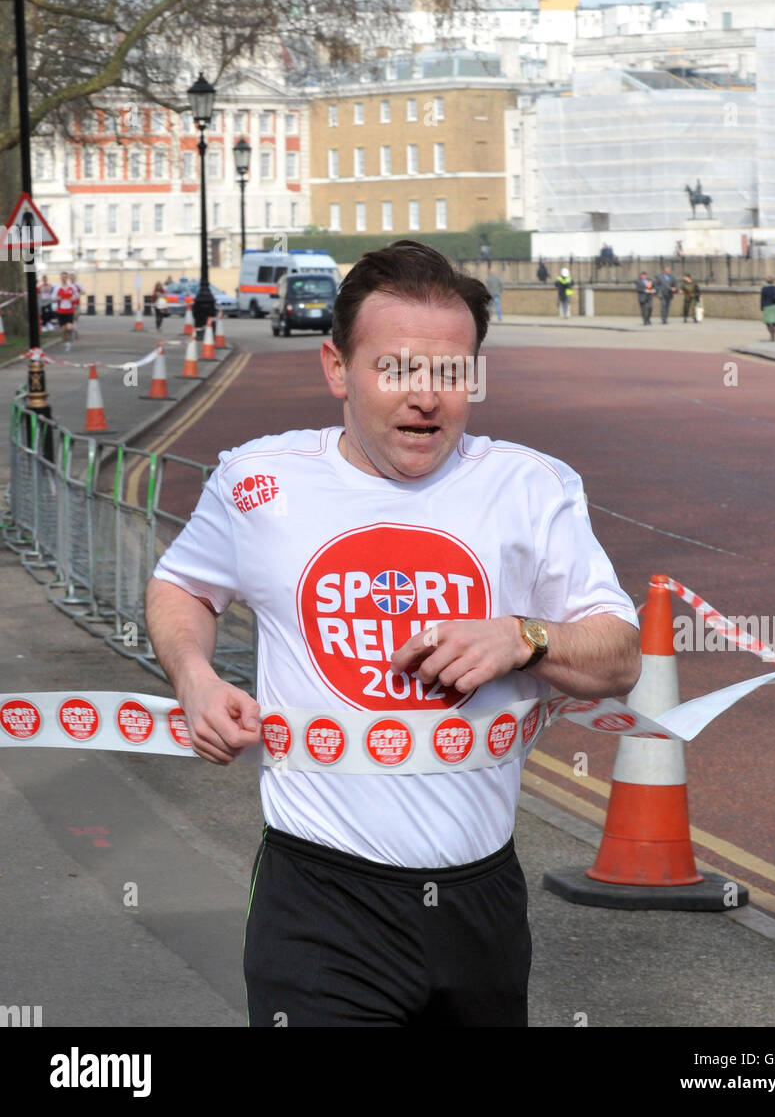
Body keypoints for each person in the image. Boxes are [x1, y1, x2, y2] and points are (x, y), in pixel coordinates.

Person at [144, 240, 641, 1029]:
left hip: (480, 899)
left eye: (449, 373)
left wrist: (524, 637)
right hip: (319, 899)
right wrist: (195, 679)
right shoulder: (257, 481)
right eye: (396, 368)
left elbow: (619, 656)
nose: (425, 398)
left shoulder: (529, 486)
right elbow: (182, 586)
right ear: (337, 369)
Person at [53, 271, 77, 351]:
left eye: (65, 277)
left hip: (69, 310)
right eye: (62, 277)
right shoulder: (57, 287)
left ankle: (71, 335)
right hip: (61, 311)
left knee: (69, 327)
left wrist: (73, 298)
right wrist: (57, 298)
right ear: (60, 278)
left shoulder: (72, 287)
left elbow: (76, 296)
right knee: (63, 329)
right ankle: (67, 343)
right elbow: (52, 297)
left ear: (67, 278)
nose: (64, 278)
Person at [760, 276, 775, 341]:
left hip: (767, 306)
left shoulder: (764, 289)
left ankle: (771, 333)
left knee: (768, 322)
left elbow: (762, 299)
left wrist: (761, 307)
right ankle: (774, 335)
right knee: (774, 321)